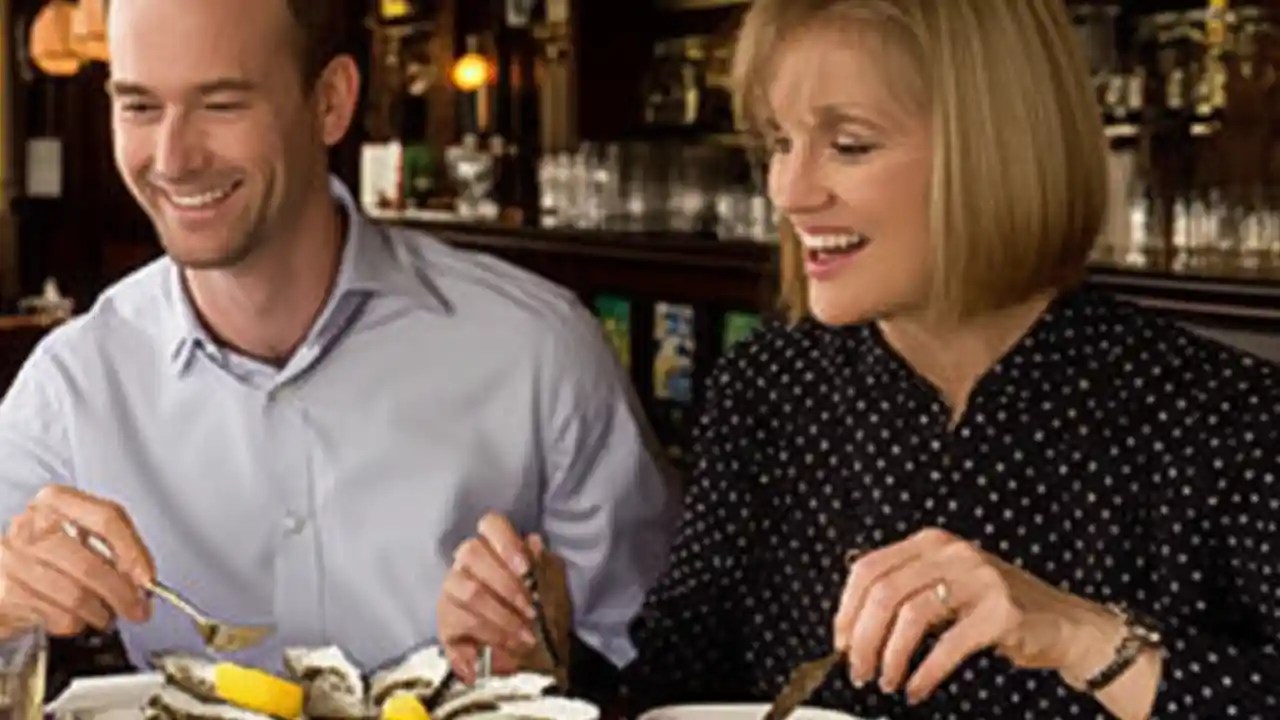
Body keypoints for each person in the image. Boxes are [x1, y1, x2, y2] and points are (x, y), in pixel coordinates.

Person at [612, 1, 1280, 719]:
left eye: (850, 145)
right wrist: (531, 659)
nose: (789, 192)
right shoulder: (768, 386)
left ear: (997, 149)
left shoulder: (1221, 417)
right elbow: (673, 683)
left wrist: (1084, 638)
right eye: (779, 142)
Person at [0, 0, 679, 677]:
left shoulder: (539, 351)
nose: (173, 159)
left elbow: (668, 666)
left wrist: (549, 667)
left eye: (222, 104)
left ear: (330, 101)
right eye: (140, 107)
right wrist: (5, 602)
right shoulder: (73, 384)